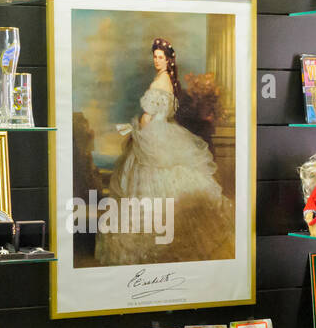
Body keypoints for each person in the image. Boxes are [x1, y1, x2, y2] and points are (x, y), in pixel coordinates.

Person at [97, 38, 232, 265]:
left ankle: (154, 245)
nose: (157, 60)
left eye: (161, 57)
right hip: (163, 133)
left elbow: (148, 116)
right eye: (155, 56)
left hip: (154, 134)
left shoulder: (160, 82)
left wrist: (138, 130)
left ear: (169, 60)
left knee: (149, 185)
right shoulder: (167, 80)